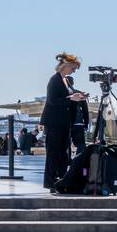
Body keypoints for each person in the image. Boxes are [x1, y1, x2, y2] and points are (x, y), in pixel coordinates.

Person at [41, 52, 88, 191]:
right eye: (73, 68)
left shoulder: (66, 80)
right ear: (65, 66)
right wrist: (71, 98)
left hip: (64, 123)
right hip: (54, 123)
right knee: (53, 153)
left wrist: (78, 97)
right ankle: (50, 183)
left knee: (64, 154)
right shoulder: (54, 80)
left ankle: (61, 181)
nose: (74, 71)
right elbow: (52, 100)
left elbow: (68, 98)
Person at [67, 75, 91, 155]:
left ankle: (67, 161)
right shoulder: (79, 93)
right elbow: (85, 110)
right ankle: (78, 161)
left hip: (66, 123)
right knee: (81, 145)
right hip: (78, 123)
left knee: (66, 144)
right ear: (73, 82)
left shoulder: (62, 93)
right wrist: (86, 123)